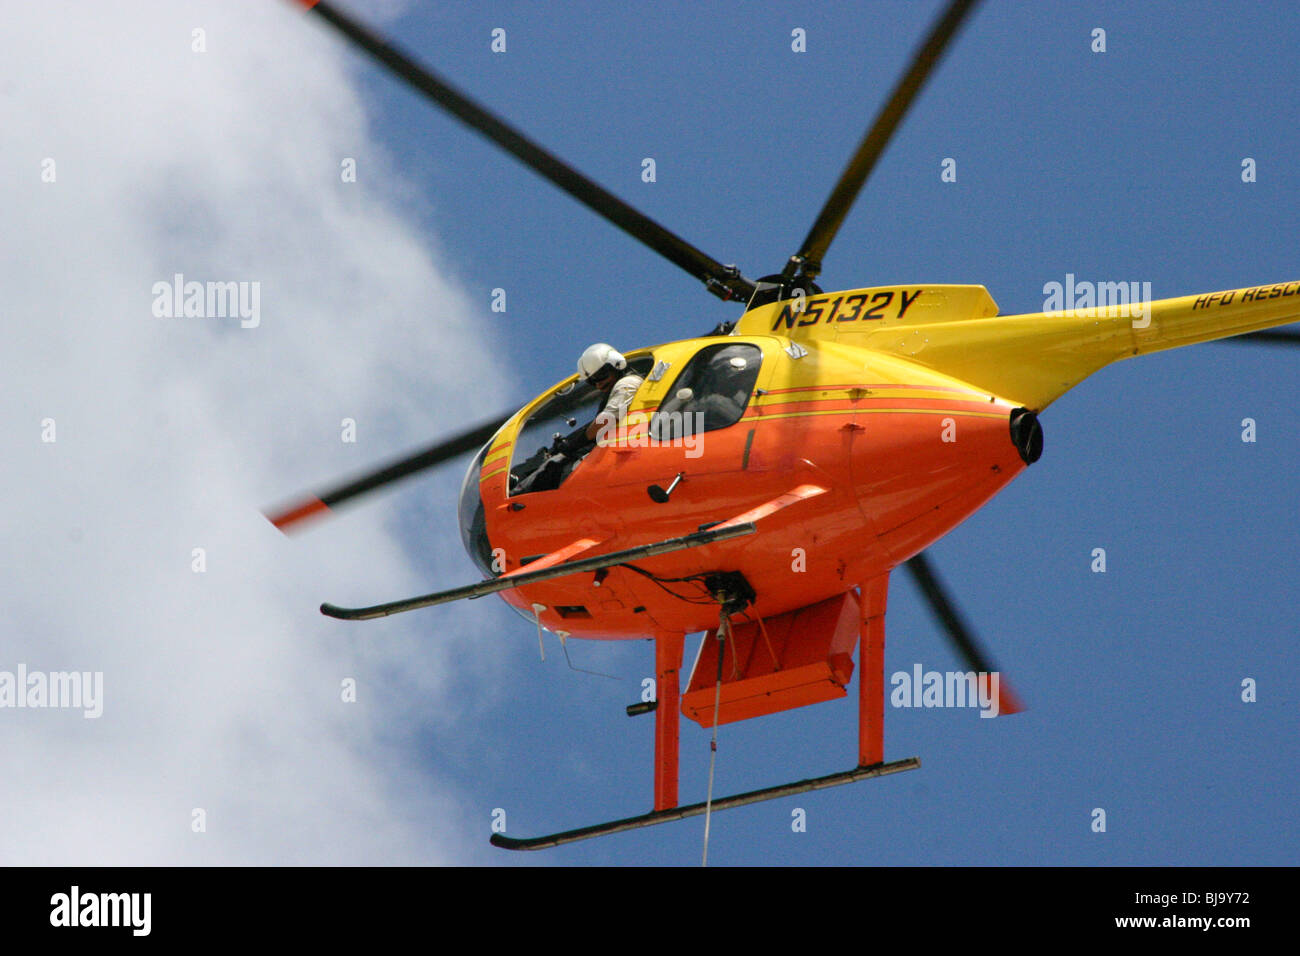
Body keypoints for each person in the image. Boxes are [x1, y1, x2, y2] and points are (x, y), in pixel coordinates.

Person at [577, 343, 643, 441]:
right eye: (592, 381)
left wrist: (576, 442)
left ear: (616, 365)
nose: (598, 384)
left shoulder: (627, 383)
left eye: (600, 375)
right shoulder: (609, 398)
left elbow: (608, 418)